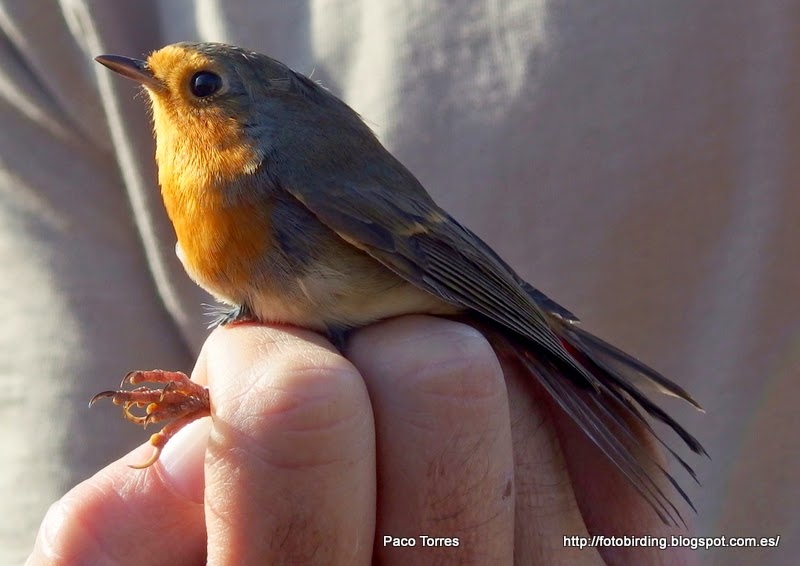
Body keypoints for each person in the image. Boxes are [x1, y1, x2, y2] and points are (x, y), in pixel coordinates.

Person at [1, 1, 795, 564]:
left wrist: (532, 325)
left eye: (201, 85)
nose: (163, 87)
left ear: (253, 121)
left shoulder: (295, 176)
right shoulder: (192, 196)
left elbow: (443, 254)